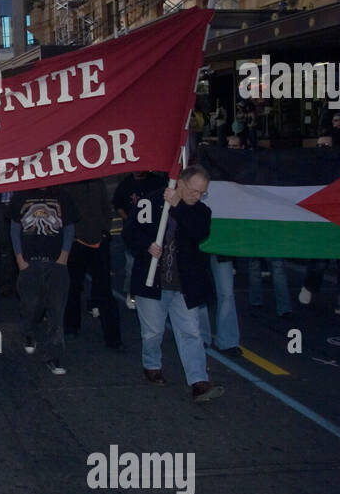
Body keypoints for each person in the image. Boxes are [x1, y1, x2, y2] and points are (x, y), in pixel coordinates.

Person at [125, 166, 223, 402]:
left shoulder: (200, 211)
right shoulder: (151, 201)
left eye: (202, 193)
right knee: (153, 332)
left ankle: (199, 381)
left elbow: (199, 231)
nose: (197, 196)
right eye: (194, 190)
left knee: (191, 332)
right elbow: (129, 232)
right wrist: (147, 246)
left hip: (183, 285)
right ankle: (152, 365)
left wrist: (178, 205)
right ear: (180, 182)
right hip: (152, 281)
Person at [10, 183, 77, 375]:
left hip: (56, 263)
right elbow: (14, 228)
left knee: (56, 311)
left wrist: (64, 255)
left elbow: (70, 226)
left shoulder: (63, 194)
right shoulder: (21, 194)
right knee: (30, 305)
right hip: (30, 262)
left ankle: (53, 355)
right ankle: (28, 332)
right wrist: (19, 259)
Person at [60, 177, 121, 350]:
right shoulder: (68, 183)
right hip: (76, 241)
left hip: (98, 241)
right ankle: (71, 326)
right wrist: (71, 237)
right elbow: (65, 211)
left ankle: (113, 338)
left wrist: (104, 231)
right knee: (73, 287)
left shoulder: (98, 182)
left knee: (104, 290)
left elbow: (106, 208)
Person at [113, 170, 168, 310]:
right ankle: (133, 293)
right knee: (132, 265)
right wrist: (130, 220)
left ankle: (156, 293)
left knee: (158, 263)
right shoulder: (126, 184)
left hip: (154, 231)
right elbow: (118, 205)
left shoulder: (156, 182)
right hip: (135, 233)